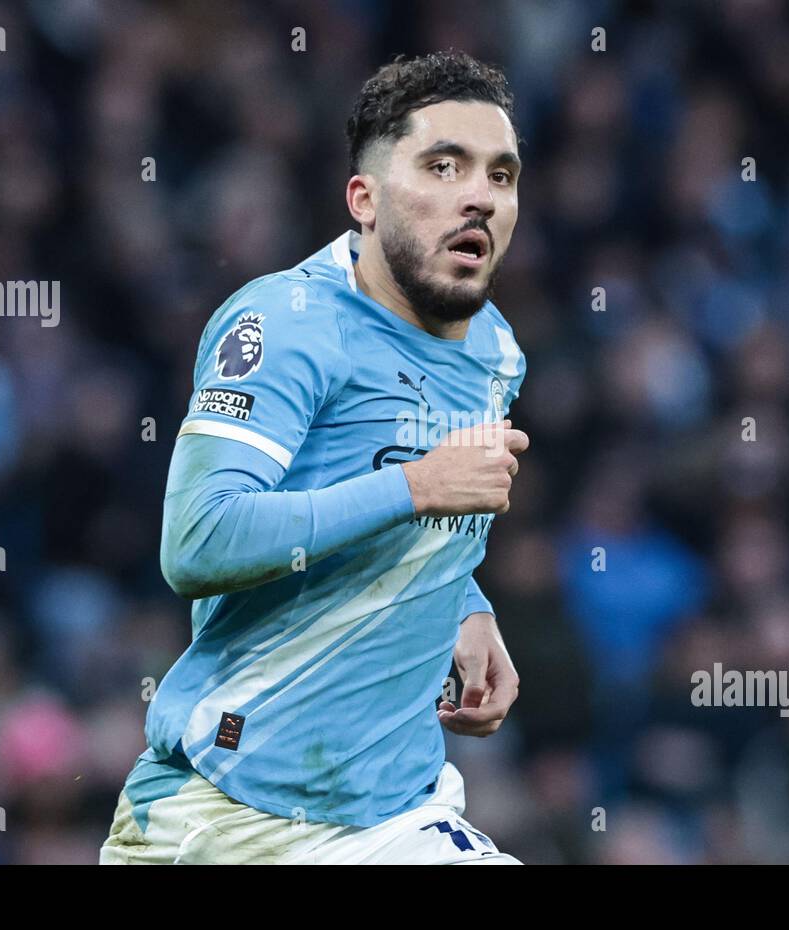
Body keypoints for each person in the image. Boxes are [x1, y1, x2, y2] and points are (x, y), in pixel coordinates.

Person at [100, 51, 530, 864]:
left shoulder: (497, 350)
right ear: (364, 200)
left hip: (393, 815)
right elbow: (198, 540)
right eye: (444, 166)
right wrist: (414, 487)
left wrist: (466, 603)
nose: (479, 194)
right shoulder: (287, 322)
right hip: (227, 817)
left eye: (500, 176)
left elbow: (407, 502)